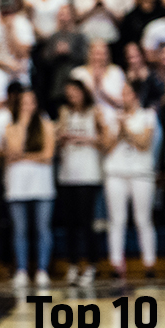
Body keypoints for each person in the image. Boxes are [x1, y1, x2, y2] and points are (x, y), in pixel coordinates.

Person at [57, 79, 109, 286]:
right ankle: (73, 264)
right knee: (70, 223)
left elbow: (105, 140)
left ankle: (92, 264)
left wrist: (86, 139)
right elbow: (56, 136)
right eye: (69, 94)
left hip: (89, 174)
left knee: (87, 222)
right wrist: (62, 136)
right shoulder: (64, 112)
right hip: (68, 174)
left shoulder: (94, 112)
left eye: (75, 93)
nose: (72, 97)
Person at [104, 81, 158, 279]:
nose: (124, 97)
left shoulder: (147, 115)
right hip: (116, 172)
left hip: (140, 173)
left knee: (143, 219)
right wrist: (120, 130)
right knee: (116, 220)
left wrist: (125, 129)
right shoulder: (113, 117)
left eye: (127, 93)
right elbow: (107, 145)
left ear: (135, 95)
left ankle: (149, 263)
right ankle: (116, 263)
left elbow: (144, 142)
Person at [6, 90, 57, 288]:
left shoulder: (45, 124)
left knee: (42, 229)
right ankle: (21, 269)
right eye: (23, 103)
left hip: (41, 184)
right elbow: (12, 151)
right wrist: (23, 124)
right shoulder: (12, 126)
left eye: (31, 102)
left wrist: (24, 157)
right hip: (18, 185)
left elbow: (48, 155)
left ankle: (43, 269)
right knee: (20, 230)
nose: (28, 106)